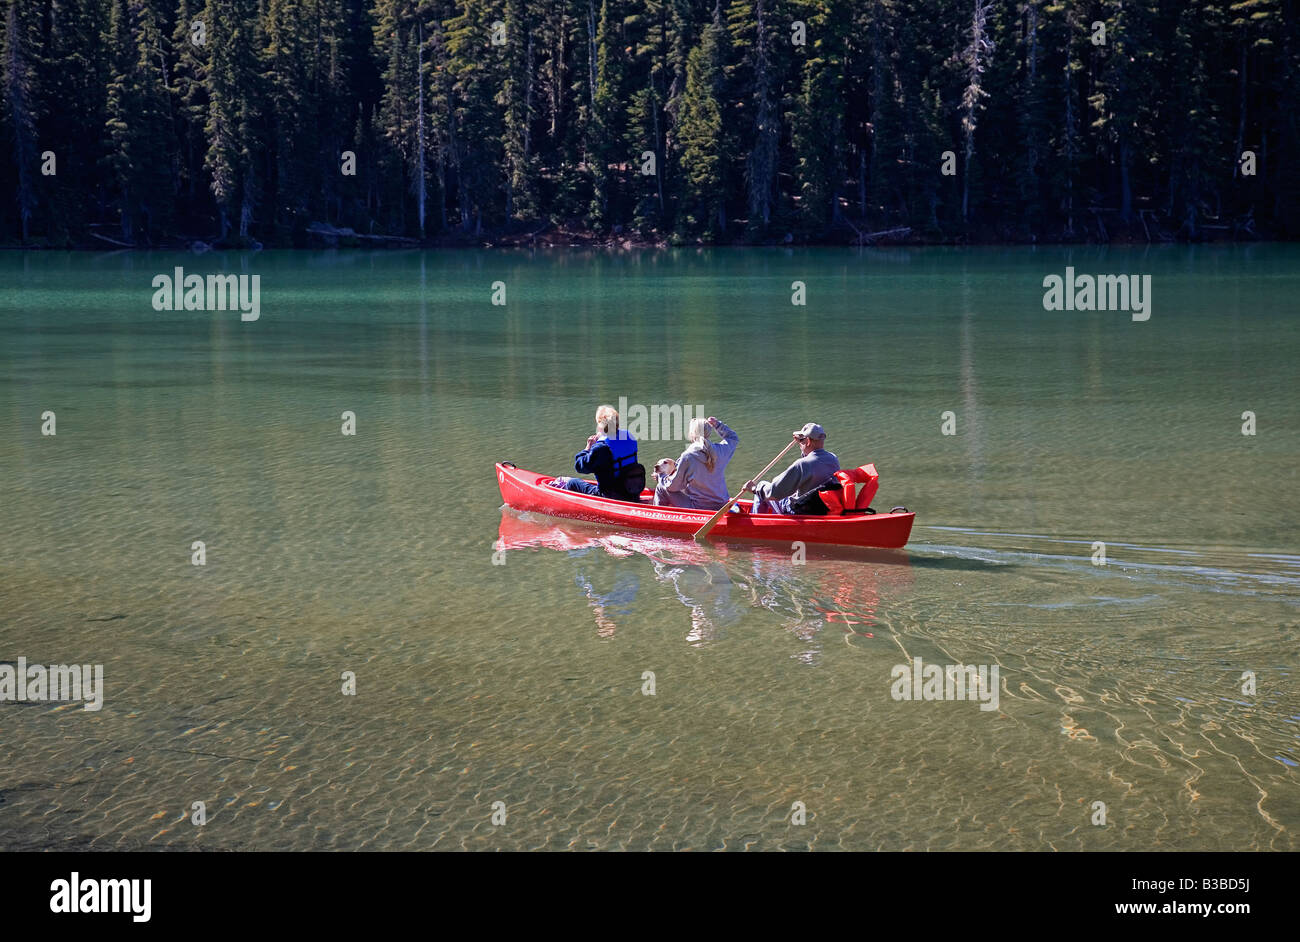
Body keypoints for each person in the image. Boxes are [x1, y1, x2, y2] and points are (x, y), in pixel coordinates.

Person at [546, 405, 642, 501]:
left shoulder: (601, 447)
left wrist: (588, 448)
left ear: (600, 424)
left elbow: (580, 467)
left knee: (573, 483)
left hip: (609, 495)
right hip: (631, 490)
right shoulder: (630, 437)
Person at [743, 422, 839, 514]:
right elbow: (812, 462)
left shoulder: (802, 465)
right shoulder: (833, 459)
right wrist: (802, 442)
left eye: (802, 440)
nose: (800, 443)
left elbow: (775, 492)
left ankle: (758, 524)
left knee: (762, 486)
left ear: (808, 441)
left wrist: (754, 488)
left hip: (799, 511)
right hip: (820, 508)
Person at [653, 416, 739, 510]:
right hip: (722, 505)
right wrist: (718, 424)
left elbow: (672, 486)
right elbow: (733, 438)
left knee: (661, 486)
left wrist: (660, 477)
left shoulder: (687, 457)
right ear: (709, 433)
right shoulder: (721, 450)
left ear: (692, 434)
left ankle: (659, 516)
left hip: (699, 507)